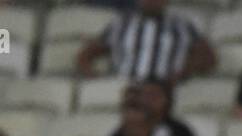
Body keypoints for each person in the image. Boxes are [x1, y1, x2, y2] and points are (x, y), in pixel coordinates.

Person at [77, 0, 215, 83]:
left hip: (166, 89)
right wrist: (94, 77)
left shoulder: (182, 25)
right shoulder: (120, 24)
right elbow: (86, 55)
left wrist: (184, 72)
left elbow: (208, 59)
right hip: (126, 87)